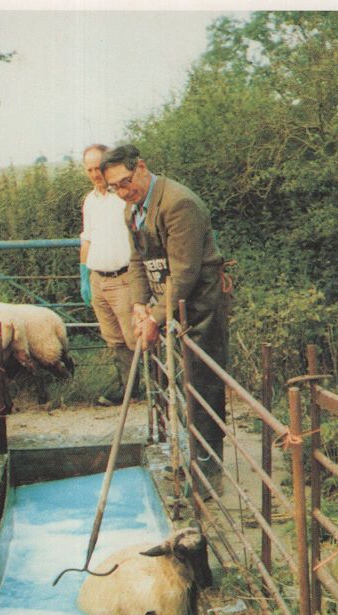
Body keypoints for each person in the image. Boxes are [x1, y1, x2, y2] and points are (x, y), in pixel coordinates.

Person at [100, 144, 230, 495]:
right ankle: (191, 458)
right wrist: (140, 307)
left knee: (202, 383)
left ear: (141, 167)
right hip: (170, 302)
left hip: (202, 303)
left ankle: (208, 472)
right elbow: (138, 262)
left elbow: (186, 273)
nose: (124, 192)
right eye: (115, 188)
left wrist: (156, 317)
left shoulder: (178, 204)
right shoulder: (132, 210)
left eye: (127, 182)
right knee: (179, 382)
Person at [78, 143, 138, 406]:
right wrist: (84, 275)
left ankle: (157, 387)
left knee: (134, 336)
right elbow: (86, 239)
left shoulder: (122, 196)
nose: (95, 174)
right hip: (98, 279)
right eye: (89, 169)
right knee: (113, 338)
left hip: (123, 277)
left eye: (98, 167)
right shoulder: (90, 201)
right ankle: (127, 388)